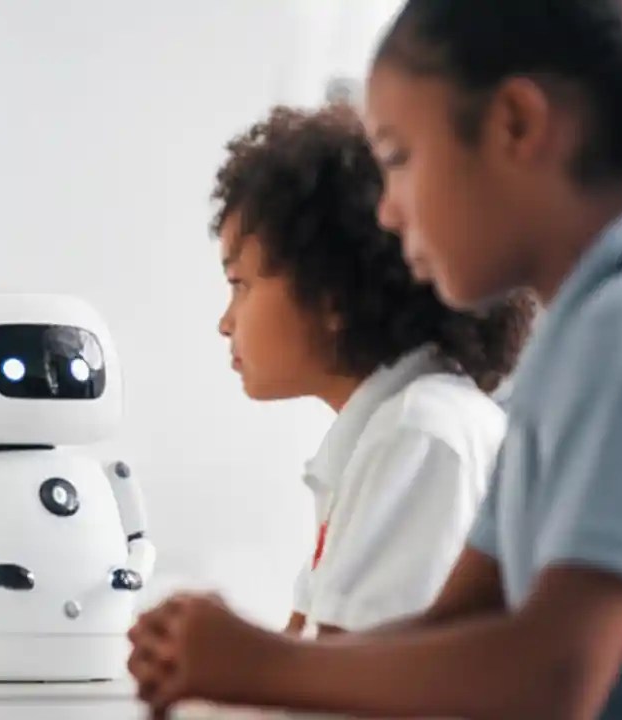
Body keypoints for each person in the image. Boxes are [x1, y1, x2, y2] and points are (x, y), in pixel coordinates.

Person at [128, 1, 622, 718]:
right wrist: (231, 661)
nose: (389, 214)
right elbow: (456, 623)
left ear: (516, 124)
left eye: (398, 158)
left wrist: (257, 664)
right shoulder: (570, 345)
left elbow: (556, 677)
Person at [212, 104, 533, 637]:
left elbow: (344, 686)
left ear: (330, 295)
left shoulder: (420, 431)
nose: (226, 323)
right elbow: (302, 649)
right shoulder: (380, 433)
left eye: (240, 284)